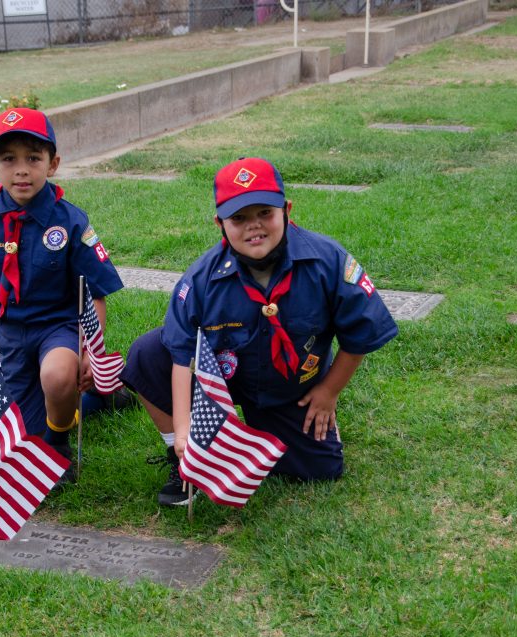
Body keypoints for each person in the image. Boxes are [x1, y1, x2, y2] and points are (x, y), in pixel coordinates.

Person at [122, 157, 398, 506]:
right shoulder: (201, 280)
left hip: (288, 389)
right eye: (238, 218)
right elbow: (181, 356)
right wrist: (183, 431)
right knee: (148, 352)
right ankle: (184, 463)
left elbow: (361, 333)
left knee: (320, 469)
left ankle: (267, 427)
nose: (254, 226)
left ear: (287, 210)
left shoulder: (327, 261)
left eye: (265, 213)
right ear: (220, 224)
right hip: (223, 383)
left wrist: (329, 391)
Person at [0, 108, 124, 475]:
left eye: (33, 158)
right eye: (8, 159)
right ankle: (100, 397)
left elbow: (95, 292)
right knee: (21, 432)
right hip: (11, 334)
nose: (22, 170)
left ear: (53, 163)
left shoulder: (71, 221)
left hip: (59, 326)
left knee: (57, 377)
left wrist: (89, 351)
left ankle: (58, 443)